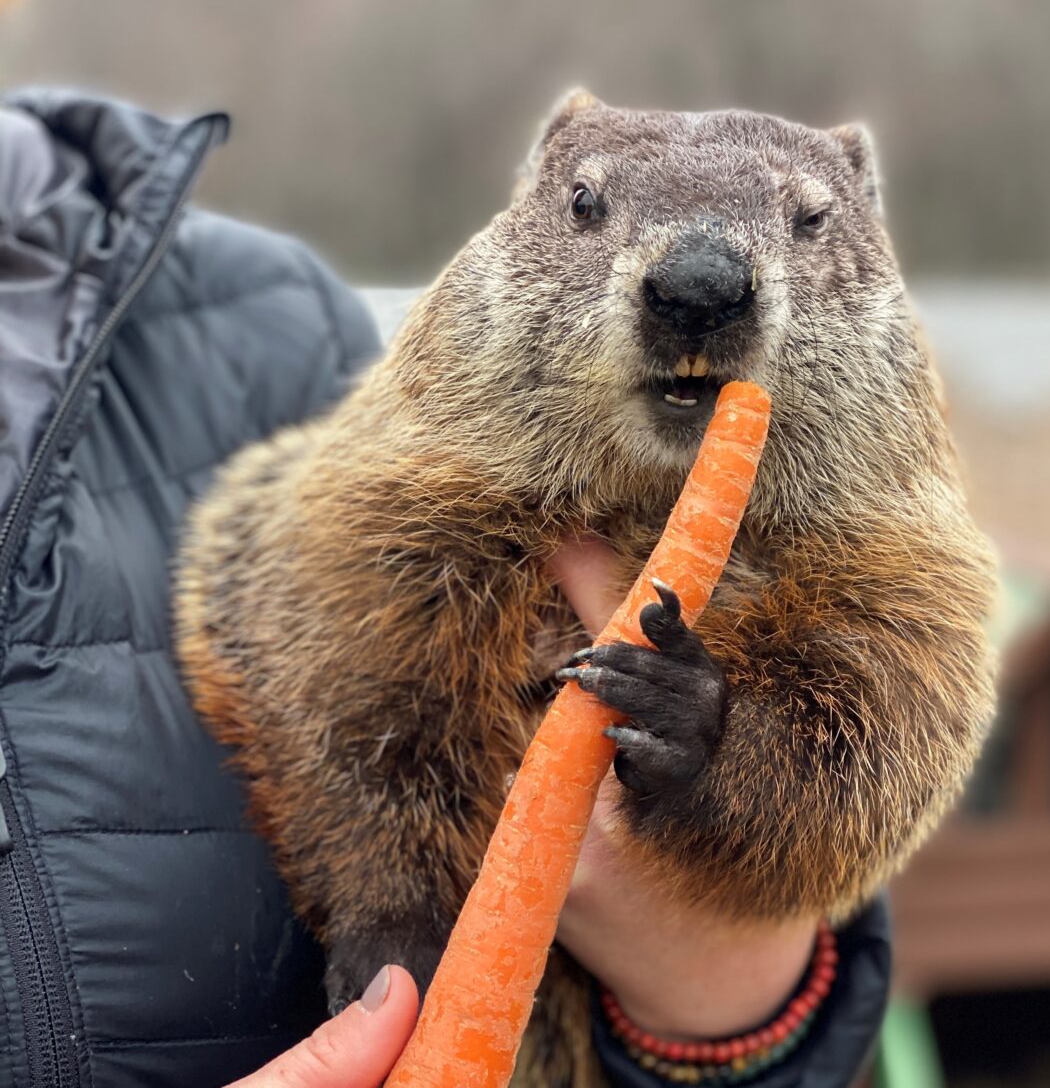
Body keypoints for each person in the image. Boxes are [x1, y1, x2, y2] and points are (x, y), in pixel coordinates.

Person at [0, 55, 888, 1088]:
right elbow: (334, 686)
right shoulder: (397, 455)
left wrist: (726, 975)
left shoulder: (274, 329)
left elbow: (875, 752)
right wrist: (395, 901)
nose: (695, 288)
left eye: (810, 224)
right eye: (590, 206)